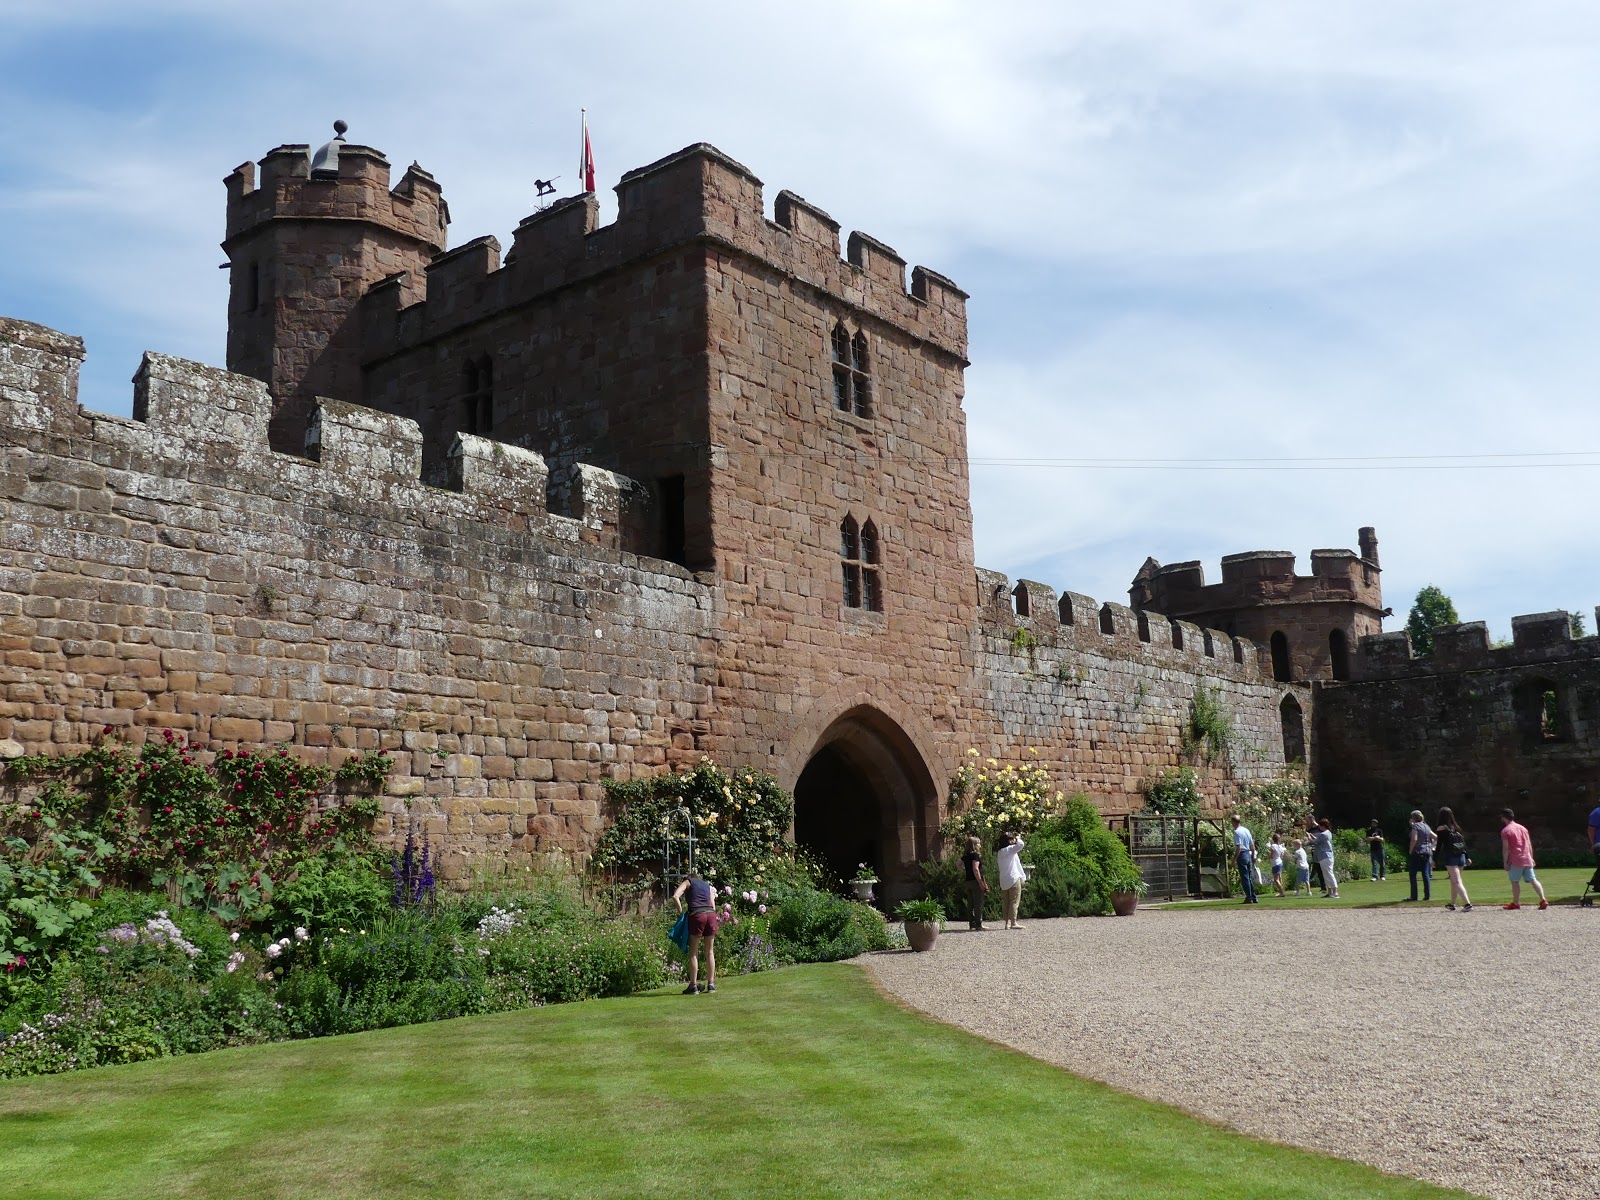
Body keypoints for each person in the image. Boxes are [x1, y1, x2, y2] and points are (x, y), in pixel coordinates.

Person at [672, 870, 719, 993]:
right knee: (709, 951)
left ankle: (693, 985)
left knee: (693, 952)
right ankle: (711, 985)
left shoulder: (688, 882)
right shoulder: (706, 885)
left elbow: (675, 896)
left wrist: (681, 912)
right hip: (711, 915)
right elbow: (713, 905)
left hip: (697, 915)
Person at [1499, 807, 1549, 910]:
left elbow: (1506, 848)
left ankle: (1516, 903)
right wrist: (1531, 857)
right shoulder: (1523, 828)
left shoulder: (1505, 831)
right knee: (1533, 880)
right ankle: (1543, 899)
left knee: (1515, 881)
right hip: (1526, 857)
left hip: (1515, 859)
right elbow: (1529, 844)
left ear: (1504, 818)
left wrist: (1505, 862)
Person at [1434, 807, 1473, 911]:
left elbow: (1439, 845)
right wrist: (1468, 857)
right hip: (1461, 856)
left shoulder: (1441, 828)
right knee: (1454, 881)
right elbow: (1463, 844)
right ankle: (1452, 903)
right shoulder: (1456, 827)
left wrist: (1434, 859)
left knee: (1456, 881)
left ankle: (1467, 904)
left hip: (1450, 856)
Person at [996, 831, 1028, 929]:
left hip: (1004, 880)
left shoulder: (1000, 852)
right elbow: (1021, 844)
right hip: (1013, 878)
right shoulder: (1009, 850)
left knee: (1006, 902)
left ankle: (1006, 923)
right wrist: (1018, 838)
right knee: (1014, 901)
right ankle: (1013, 922)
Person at [1406, 809, 1435, 902]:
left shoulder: (1416, 827)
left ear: (1413, 818)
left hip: (1417, 852)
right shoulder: (1426, 826)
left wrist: (1410, 850)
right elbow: (1436, 837)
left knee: (1413, 874)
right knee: (1425, 874)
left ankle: (1414, 896)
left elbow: (1414, 839)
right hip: (1427, 852)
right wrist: (1432, 846)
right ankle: (1427, 895)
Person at [962, 835, 989, 929]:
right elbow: (976, 869)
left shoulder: (966, 856)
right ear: (974, 845)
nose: (980, 845)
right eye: (979, 843)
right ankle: (978, 924)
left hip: (967, 881)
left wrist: (965, 869)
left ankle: (971, 923)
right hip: (975, 881)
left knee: (970, 904)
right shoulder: (975, 855)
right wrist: (980, 882)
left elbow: (957, 864)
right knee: (978, 903)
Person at [1231, 814, 1258, 904]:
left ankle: (1249, 897)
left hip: (1242, 854)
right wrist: (1253, 855)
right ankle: (1253, 896)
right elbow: (1252, 845)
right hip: (1248, 853)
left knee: (1244, 877)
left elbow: (1238, 847)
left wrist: (1234, 859)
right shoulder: (1246, 830)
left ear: (1234, 822)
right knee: (1248, 877)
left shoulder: (1237, 832)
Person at [1309, 818, 1339, 898]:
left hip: (1325, 856)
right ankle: (1329, 892)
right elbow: (1318, 840)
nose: (1319, 827)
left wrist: (1308, 840)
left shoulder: (1323, 834)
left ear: (1322, 826)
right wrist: (1311, 837)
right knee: (1326, 874)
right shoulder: (1328, 833)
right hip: (1326, 856)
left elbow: (1315, 842)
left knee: (1329, 874)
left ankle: (1335, 892)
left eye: (1320, 825)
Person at [1267, 832, 1287, 897]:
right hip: (1280, 862)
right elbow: (1282, 855)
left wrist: (1268, 852)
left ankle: (1282, 892)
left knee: (1276, 879)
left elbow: (1271, 856)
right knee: (1280, 877)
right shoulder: (1280, 847)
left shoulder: (1273, 846)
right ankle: (1281, 891)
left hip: (1275, 863)